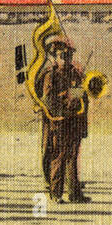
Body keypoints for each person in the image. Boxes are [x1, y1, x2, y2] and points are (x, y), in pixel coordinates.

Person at [40, 37, 89, 203]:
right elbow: (48, 99)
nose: (66, 60)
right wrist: (65, 104)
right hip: (60, 121)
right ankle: (56, 193)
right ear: (56, 56)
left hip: (74, 121)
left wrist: (74, 97)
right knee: (59, 156)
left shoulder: (75, 73)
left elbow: (81, 97)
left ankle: (74, 194)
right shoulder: (51, 74)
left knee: (73, 157)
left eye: (68, 56)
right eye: (62, 56)